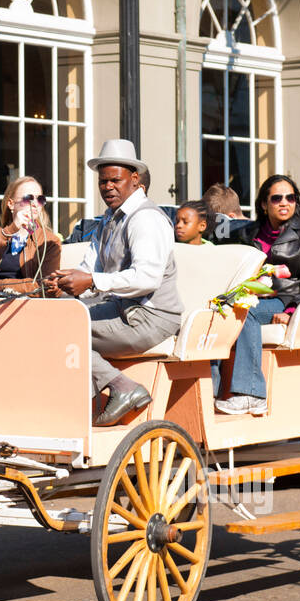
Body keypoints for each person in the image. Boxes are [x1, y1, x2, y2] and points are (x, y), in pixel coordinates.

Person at [49, 139, 183, 425]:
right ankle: (79, 404)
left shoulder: (145, 219)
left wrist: (91, 281)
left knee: (64, 328)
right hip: (122, 309)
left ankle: (123, 388)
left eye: (115, 180)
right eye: (103, 181)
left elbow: (146, 278)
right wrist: (64, 282)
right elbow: (90, 267)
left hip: (150, 317)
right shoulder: (110, 219)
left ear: (135, 180)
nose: (108, 187)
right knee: (55, 312)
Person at [215, 174, 300, 415]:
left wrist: (291, 311)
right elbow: (219, 245)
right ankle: (210, 389)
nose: (284, 202)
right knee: (215, 310)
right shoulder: (248, 232)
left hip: (285, 298)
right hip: (254, 295)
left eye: (290, 197)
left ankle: (252, 394)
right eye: (277, 198)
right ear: (265, 204)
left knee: (247, 312)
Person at [0, 175, 61, 296]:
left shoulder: (49, 241)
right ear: (11, 204)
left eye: (40, 199)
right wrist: (10, 230)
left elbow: (47, 287)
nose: (35, 204)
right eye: (28, 198)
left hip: (23, 304)